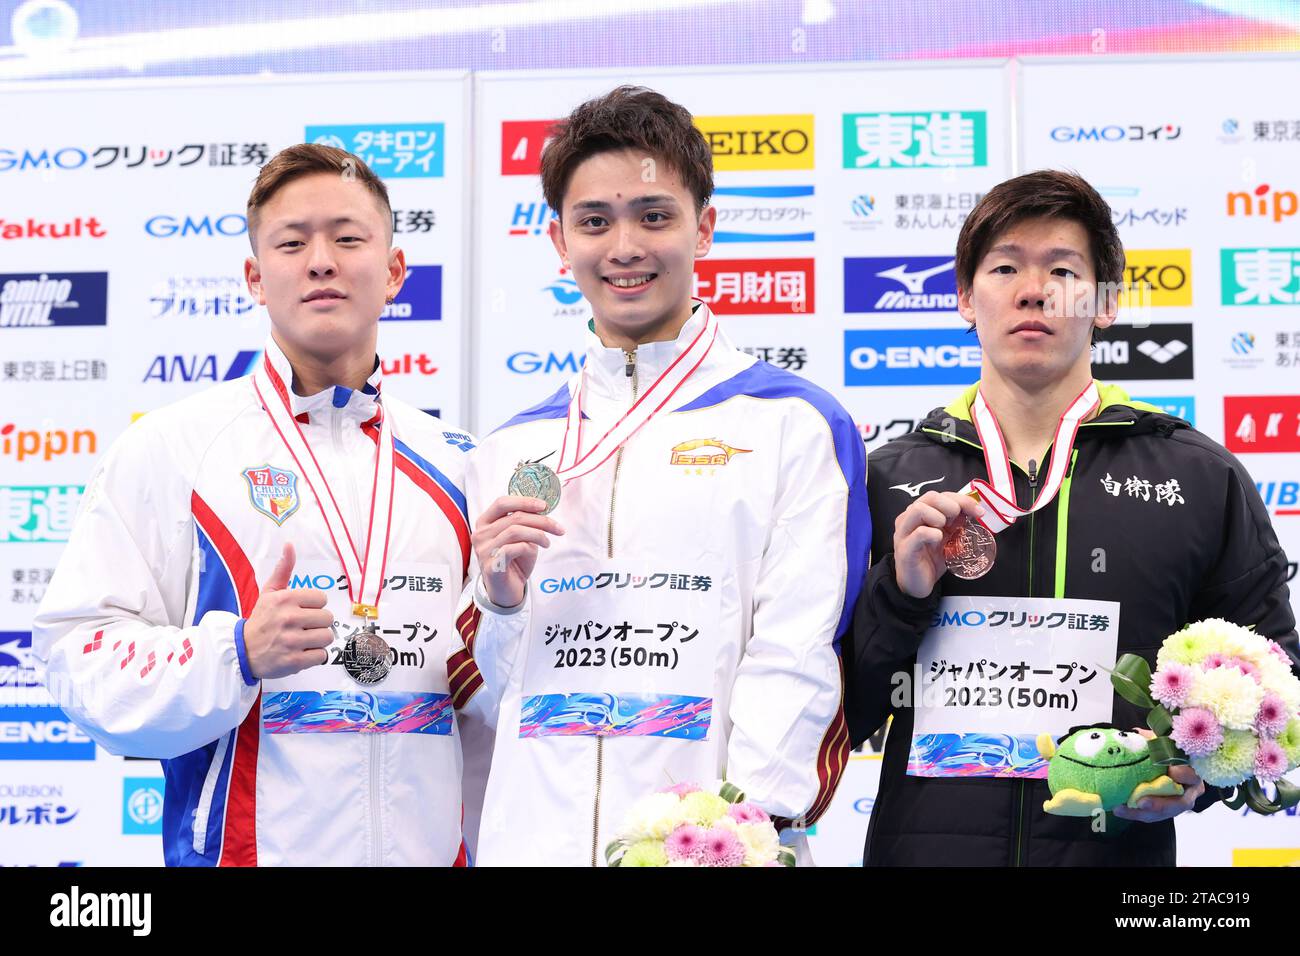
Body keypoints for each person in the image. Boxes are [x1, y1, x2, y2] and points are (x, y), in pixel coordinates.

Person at [448, 86, 868, 865]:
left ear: (704, 227)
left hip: (709, 851)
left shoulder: (792, 424)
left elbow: (800, 656)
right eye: (595, 221)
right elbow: (498, 696)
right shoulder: (510, 448)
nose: (624, 246)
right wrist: (501, 605)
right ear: (558, 239)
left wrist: (740, 833)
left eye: (654, 215)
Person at [33, 144, 474, 866]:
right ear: (254, 277)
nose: (321, 261)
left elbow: (487, 694)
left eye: (349, 237)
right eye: (292, 242)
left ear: (394, 272)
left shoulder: (458, 464)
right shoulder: (174, 449)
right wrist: (232, 653)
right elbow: (77, 657)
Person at [845, 169, 1299, 866]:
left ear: (1107, 301)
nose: (1034, 291)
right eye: (1004, 267)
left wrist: (1200, 775)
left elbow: (1272, 679)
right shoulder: (890, 481)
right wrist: (898, 596)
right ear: (966, 297)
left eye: (1062, 269)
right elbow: (840, 708)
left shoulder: (1197, 478)